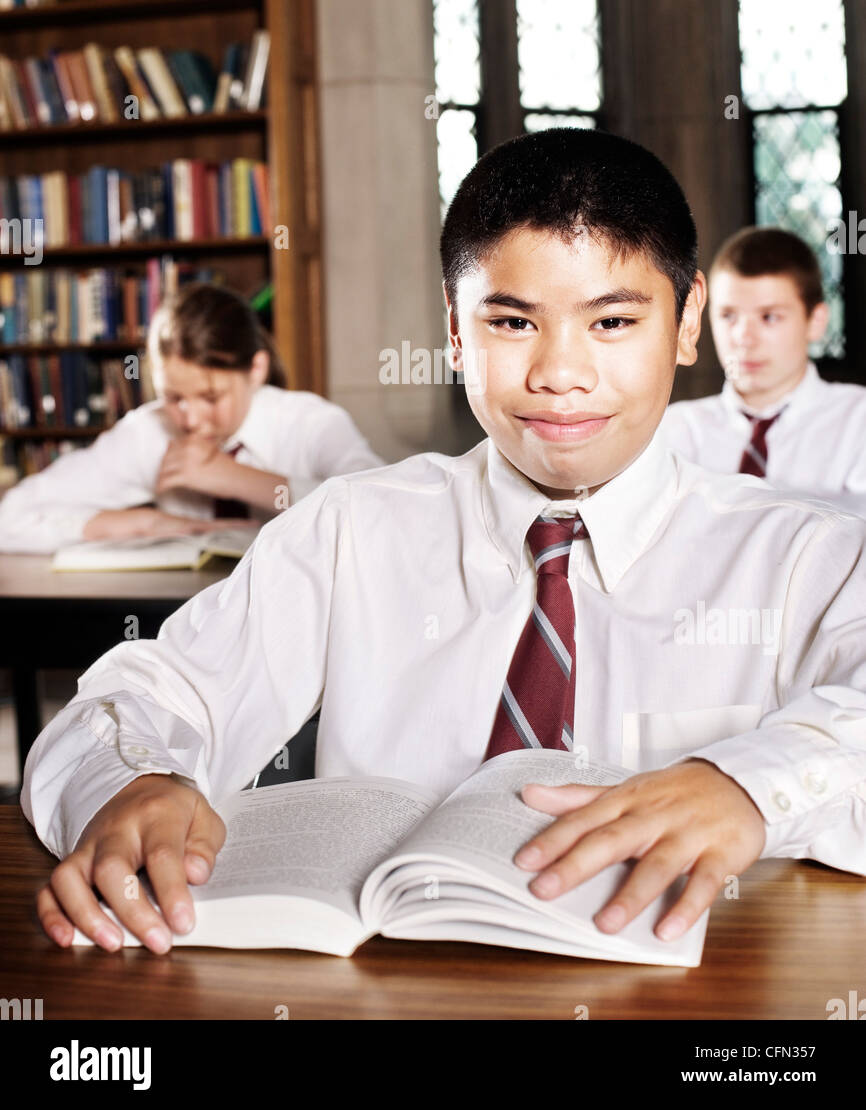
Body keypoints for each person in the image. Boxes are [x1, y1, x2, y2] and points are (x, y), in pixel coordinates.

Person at [22, 129, 866, 959]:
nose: (559, 374)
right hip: (390, 996)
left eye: (611, 322)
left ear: (687, 328)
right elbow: (141, 694)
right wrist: (133, 783)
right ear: (457, 335)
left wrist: (748, 784)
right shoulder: (352, 529)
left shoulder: (802, 557)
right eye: (511, 324)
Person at [0, 282, 383, 553]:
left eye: (210, 397)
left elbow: (379, 514)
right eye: (174, 398)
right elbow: (10, 518)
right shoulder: (149, 432)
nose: (190, 419)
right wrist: (136, 524)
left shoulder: (311, 424)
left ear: (256, 370)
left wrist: (235, 479)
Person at [658, 226, 866, 514]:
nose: (744, 337)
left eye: (769, 317)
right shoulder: (670, 431)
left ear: (816, 321)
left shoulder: (858, 423)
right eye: (728, 315)